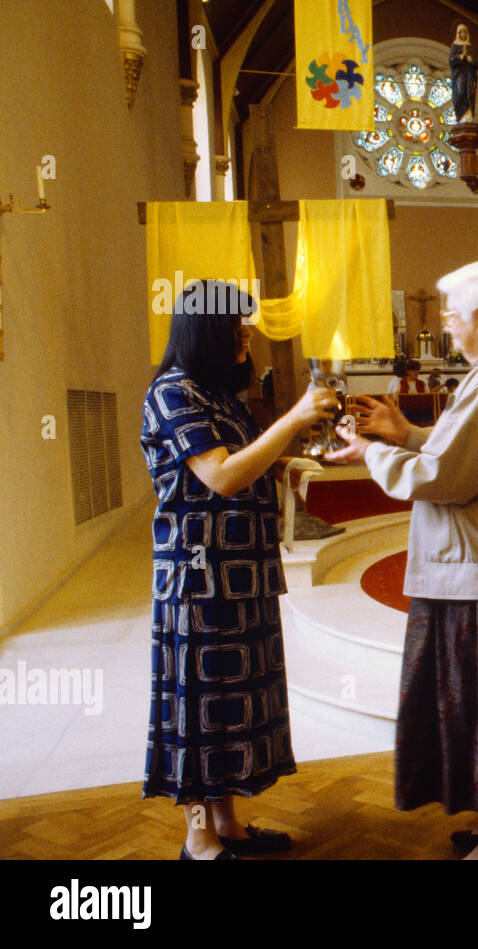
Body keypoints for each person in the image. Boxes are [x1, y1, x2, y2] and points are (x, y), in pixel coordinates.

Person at [328, 260, 478, 860]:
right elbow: (472, 449)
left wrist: (368, 455)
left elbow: (447, 476)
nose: (449, 329)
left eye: (453, 318)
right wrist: (404, 433)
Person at [140, 279, 338, 859]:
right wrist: (296, 417)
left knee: (228, 706)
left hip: (243, 573)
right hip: (197, 578)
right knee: (197, 706)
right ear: (205, 327)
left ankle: (226, 823)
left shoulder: (219, 394)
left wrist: (289, 463)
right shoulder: (173, 392)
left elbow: (247, 462)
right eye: (235, 322)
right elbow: (222, 476)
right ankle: (197, 836)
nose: (245, 331)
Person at [449, 23, 477, 123]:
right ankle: (460, 116)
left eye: (465, 32)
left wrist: (469, 59)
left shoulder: (470, 47)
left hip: (469, 75)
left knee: (469, 94)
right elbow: (451, 61)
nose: (463, 34)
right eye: (461, 32)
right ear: (458, 34)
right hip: (459, 74)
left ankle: (468, 115)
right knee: (460, 92)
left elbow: (476, 63)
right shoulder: (454, 46)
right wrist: (461, 57)